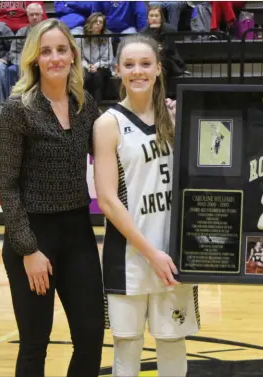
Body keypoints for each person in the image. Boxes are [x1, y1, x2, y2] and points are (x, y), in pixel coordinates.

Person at [0, 18, 105, 377]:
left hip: (78, 232)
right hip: (32, 236)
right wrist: (28, 250)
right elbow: (6, 186)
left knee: (91, 336)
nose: (55, 57)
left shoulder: (85, 105)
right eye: (46, 51)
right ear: (34, 59)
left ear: (73, 55)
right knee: (34, 345)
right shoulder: (18, 109)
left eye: (61, 50)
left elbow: (113, 156)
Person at [92, 34, 200, 377]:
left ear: (157, 69)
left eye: (145, 64)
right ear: (117, 70)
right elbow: (107, 200)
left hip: (174, 251)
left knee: (172, 344)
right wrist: (150, 253)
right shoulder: (108, 123)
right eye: (129, 65)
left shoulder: (176, 116)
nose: (137, 71)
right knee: (127, 347)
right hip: (129, 256)